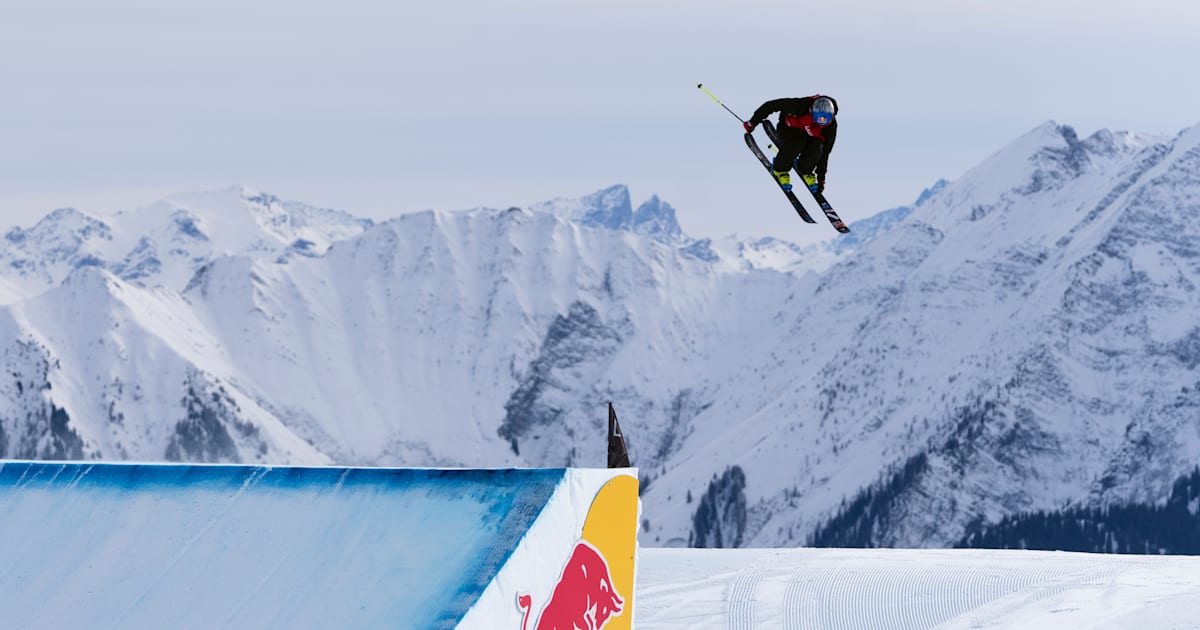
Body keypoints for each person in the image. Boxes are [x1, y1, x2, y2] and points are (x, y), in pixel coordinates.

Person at [743, 95, 838, 193]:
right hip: (789, 128)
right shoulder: (800, 105)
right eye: (818, 120)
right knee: (798, 141)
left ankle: (805, 169)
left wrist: (821, 178)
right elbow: (770, 106)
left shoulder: (830, 128)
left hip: (809, 135)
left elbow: (825, 152)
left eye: (826, 122)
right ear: (811, 111)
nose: (822, 124)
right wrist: (753, 122)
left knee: (818, 146)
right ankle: (780, 169)